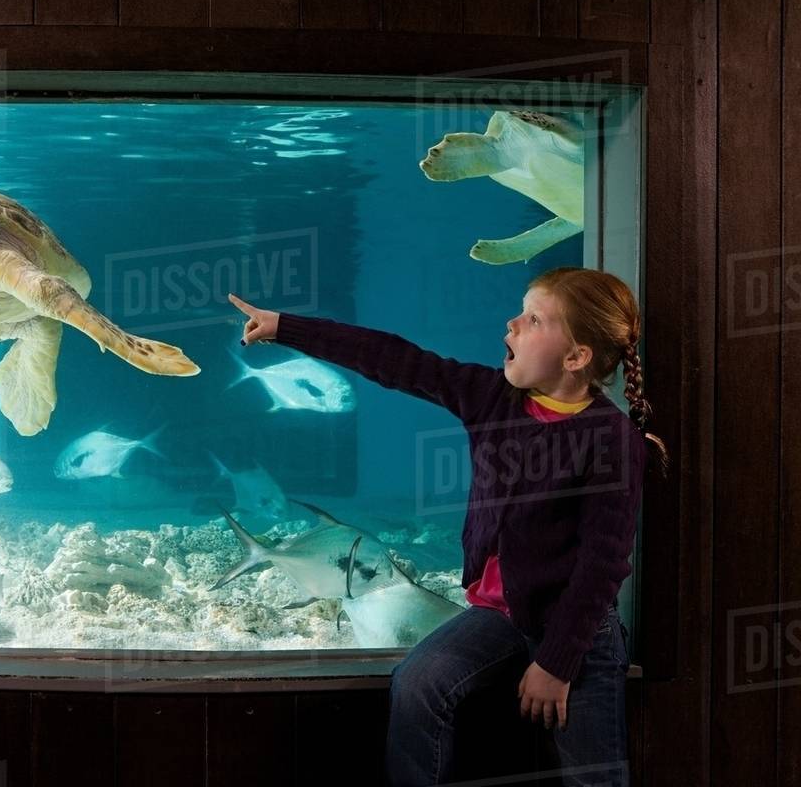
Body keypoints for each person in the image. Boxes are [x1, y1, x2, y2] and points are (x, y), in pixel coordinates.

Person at [228, 266, 668, 787]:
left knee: (595, 776)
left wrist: (556, 664)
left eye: (532, 319)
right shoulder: (489, 398)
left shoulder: (610, 440)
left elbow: (601, 567)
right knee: (417, 683)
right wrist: (285, 327)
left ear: (575, 358)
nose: (511, 324)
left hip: (578, 629)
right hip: (502, 615)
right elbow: (395, 359)